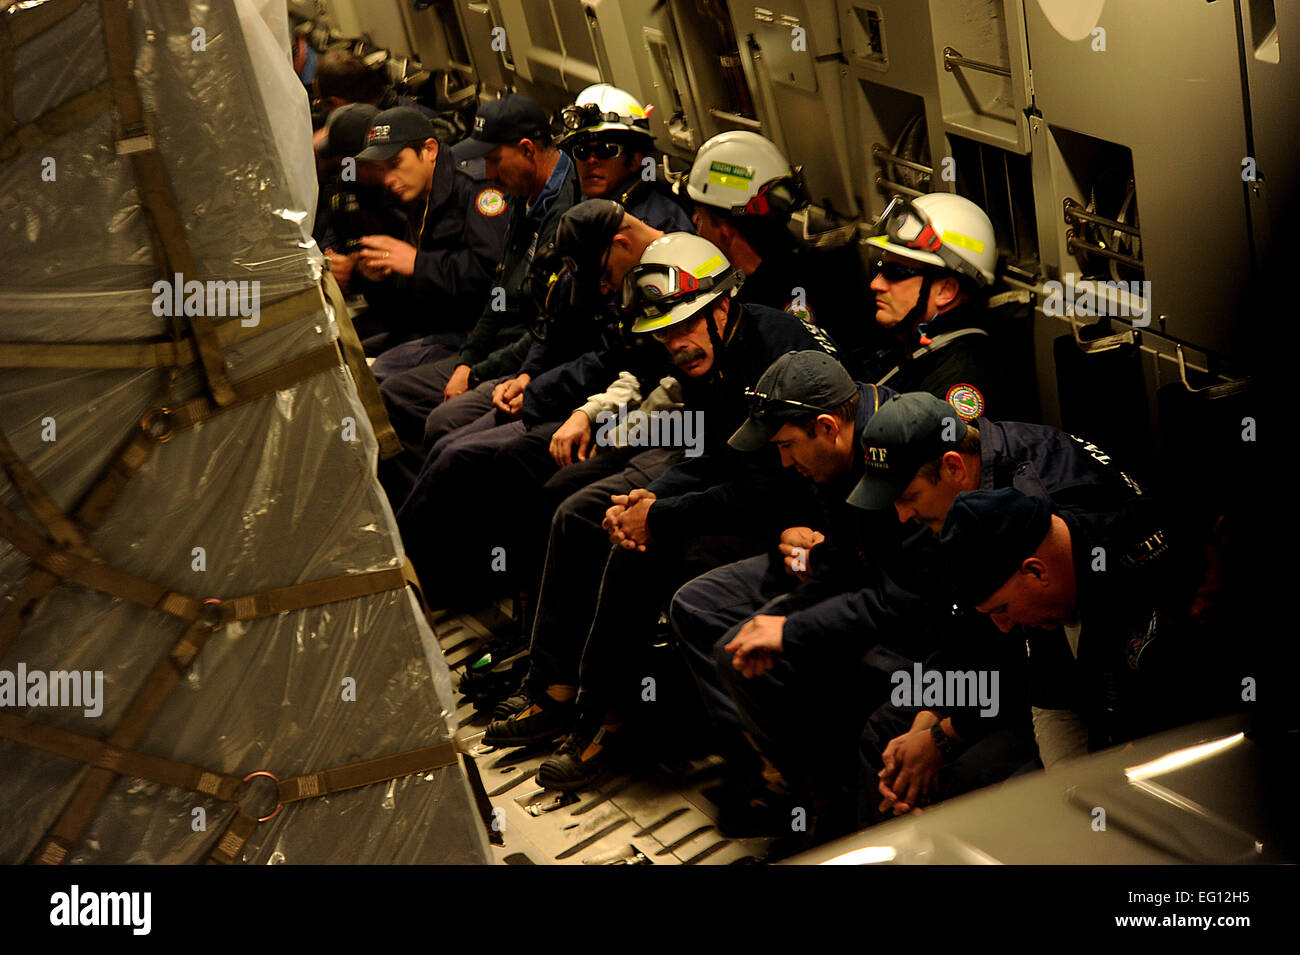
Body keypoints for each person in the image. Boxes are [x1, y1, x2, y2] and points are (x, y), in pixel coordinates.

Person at [485, 235, 842, 793]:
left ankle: (606, 721)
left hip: (796, 515)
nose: (677, 345)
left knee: (642, 556)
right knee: (596, 518)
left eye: (686, 326)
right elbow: (707, 452)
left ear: (722, 308)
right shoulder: (711, 360)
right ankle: (554, 686)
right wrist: (647, 501)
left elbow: (767, 488)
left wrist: (662, 517)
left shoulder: (777, 354)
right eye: (665, 334)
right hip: (748, 494)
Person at [932, 487, 1242, 785]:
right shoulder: (1047, 611)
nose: (1004, 625)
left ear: (1037, 571)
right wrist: (1076, 789)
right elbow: (1051, 705)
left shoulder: (1148, 561)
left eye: (1002, 608)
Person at [374, 94, 581, 502]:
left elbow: (541, 318)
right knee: (394, 387)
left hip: (527, 353)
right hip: (496, 342)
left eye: (493, 159)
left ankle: (427, 533)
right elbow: (501, 289)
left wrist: (482, 366)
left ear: (525, 150)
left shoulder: (567, 210)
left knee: (443, 427)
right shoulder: (525, 198)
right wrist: (470, 361)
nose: (488, 172)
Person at [341, 106, 507, 369]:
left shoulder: (476, 190)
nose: (389, 179)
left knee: (378, 377)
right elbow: (414, 294)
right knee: (346, 358)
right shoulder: (415, 196)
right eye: (382, 169)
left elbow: (493, 275)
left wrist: (418, 264)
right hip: (428, 325)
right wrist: (376, 279)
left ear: (429, 150)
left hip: (473, 335)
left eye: (395, 164)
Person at [859, 193, 1033, 421]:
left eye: (895, 273)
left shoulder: (959, 384)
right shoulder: (917, 348)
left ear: (946, 291)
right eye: (880, 267)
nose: (876, 283)